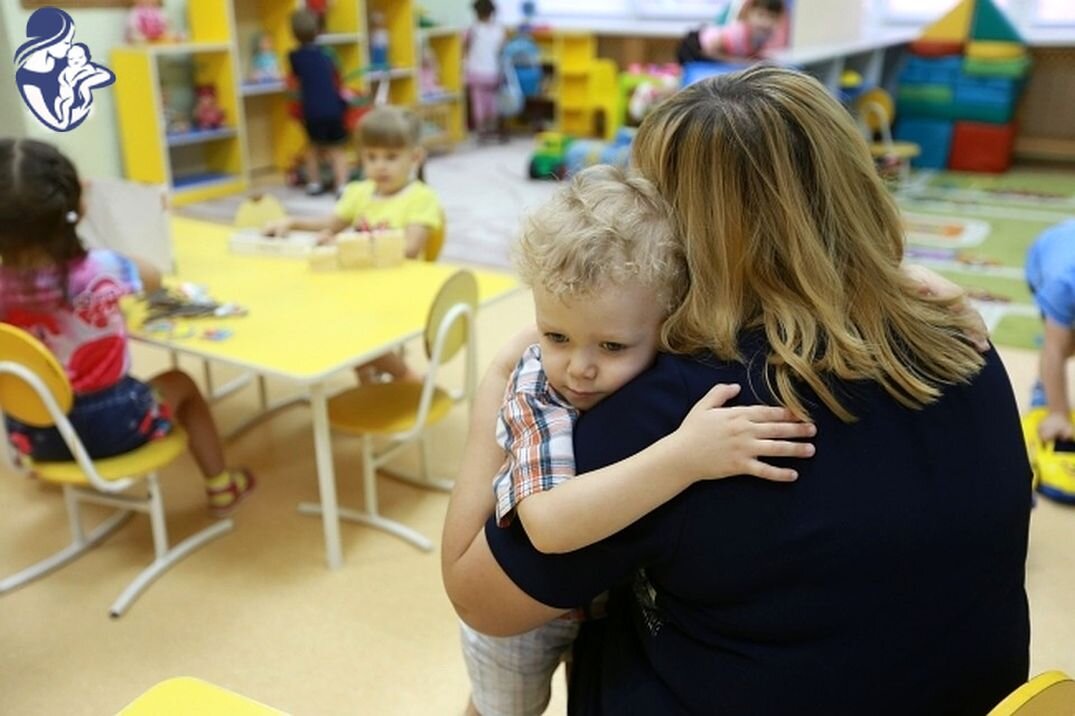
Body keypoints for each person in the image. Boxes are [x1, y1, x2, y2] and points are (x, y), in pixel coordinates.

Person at [443, 66, 1031, 714]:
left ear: (681, 240)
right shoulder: (960, 340)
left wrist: (497, 381)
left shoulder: (685, 407)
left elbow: (479, 599)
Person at [461, 165, 815, 716]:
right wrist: (687, 456)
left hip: (604, 600)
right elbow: (549, 525)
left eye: (611, 346)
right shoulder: (538, 391)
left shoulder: (660, 343)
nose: (579, 368)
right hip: (524, 618)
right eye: (555, 336)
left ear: (668, 321)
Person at [0, 139, 255, 517]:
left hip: (34, 434)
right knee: (183, 384)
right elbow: (152, 277)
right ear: (75, 208)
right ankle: (222, 487)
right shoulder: (101, 269)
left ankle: (59, 465)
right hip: (111, 424)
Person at [265, 105, 443, 383]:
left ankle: (409, 380)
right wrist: (292, 222)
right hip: (360, 281)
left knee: (354, 331)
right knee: (325, 316)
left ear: (415, 157)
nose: (380, 165)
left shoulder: (421, 197)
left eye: (391, 157)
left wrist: (348, 241)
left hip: (400, 286)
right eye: (371, 157)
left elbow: (409, 248)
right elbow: (330, 224)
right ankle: (369, 379)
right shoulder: (359, 192)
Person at [13, 7, 114, 132]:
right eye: (66, 42)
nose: (70, 47)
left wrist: (84, 83)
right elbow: (57, 123)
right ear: (47, 41)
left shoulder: (67, 59)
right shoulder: (27, 77)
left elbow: (105, 75)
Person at [288, 8, 350, 197]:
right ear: (318, 31)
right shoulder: (327, 54)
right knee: (337, 150)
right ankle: (342, 186)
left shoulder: (294, 57)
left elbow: (295, 83)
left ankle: (314, 184)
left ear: (293, 34)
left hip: (312, 111)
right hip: (334, 109)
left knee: (313, 147)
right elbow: (337, 79)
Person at [1026, 219, 1075, 443]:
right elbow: (1053, 350)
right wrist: (1058, 413)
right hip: (1042, 257)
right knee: (1063, 343)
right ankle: (1043, 390)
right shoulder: (1063, 286)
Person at [676, 0, 787, 65]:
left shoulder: (766, 36)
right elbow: (708, 51)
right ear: (749, 14)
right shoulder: (738, 32)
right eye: (761, 15)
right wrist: (737, 61)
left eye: (772, 17)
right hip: (695, 44)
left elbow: (749, 54)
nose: (765, 22)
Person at [464, 0, 506, 141]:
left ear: (476, 13)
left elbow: (465, 47)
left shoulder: (473, 29)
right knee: (492, 101)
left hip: (475, 71)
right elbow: (501, 49)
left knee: (478, 101)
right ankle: (491, 126)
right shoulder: (498, 29)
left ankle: (481, 129)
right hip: (492, 71)